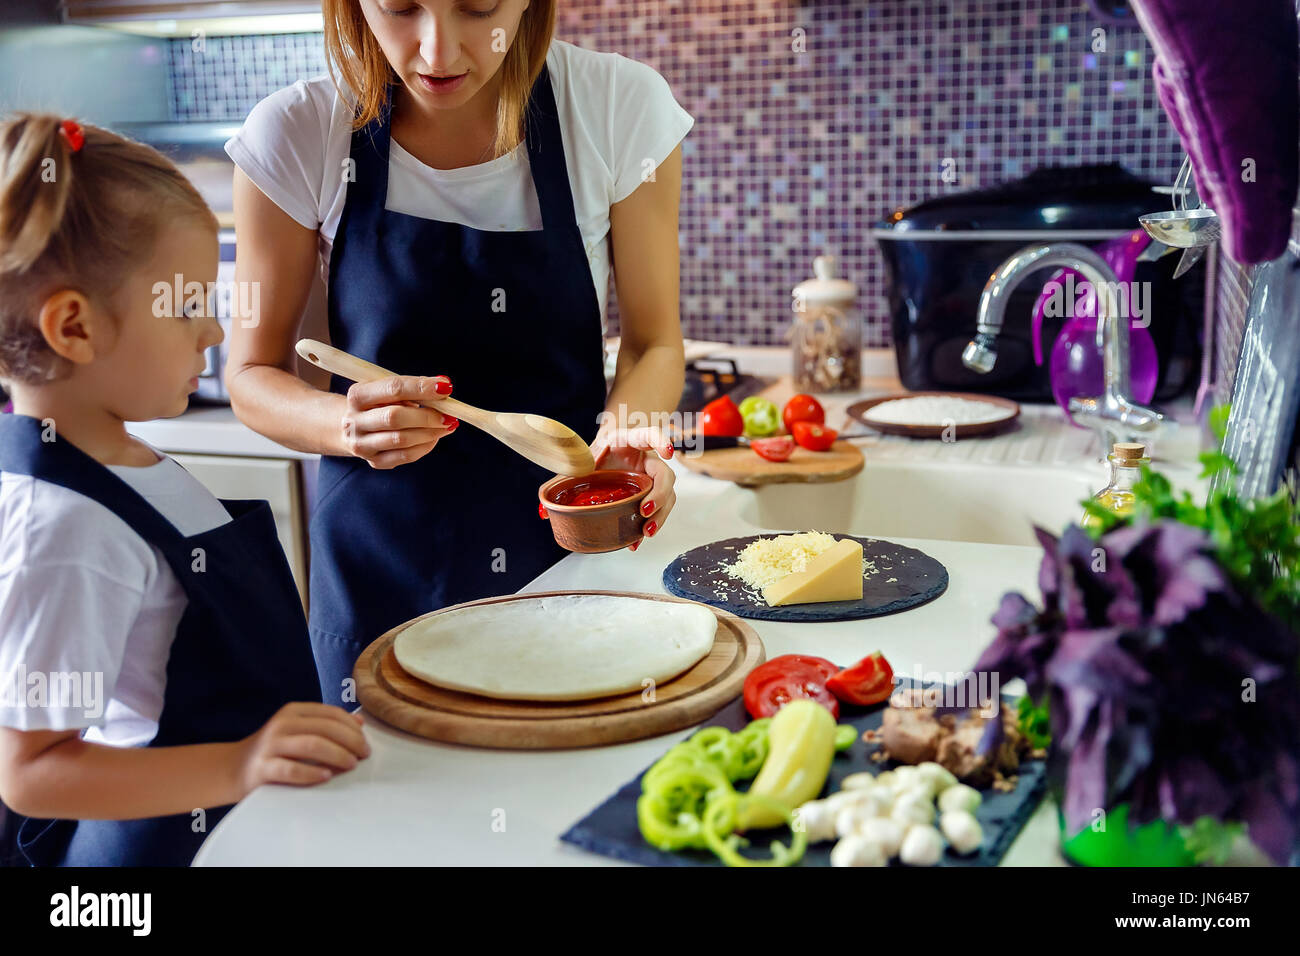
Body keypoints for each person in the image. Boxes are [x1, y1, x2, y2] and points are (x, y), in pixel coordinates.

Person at [225, 0, 693, 705]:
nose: (437, 51)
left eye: (478, 8)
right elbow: (250, 373)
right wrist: (347, 424)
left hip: (568, 564)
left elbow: (654, 342)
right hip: (380, 579)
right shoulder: (298, 130)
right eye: (401, 7)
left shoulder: (617, 107)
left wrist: (627, 435)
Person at [0, 115, 369, 866]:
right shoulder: (64, 528)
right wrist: (241, 764)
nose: (213, 334)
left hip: (232, 829)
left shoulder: (121, 460)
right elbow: (32, 773)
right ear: (75, 328)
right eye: (188, 305)